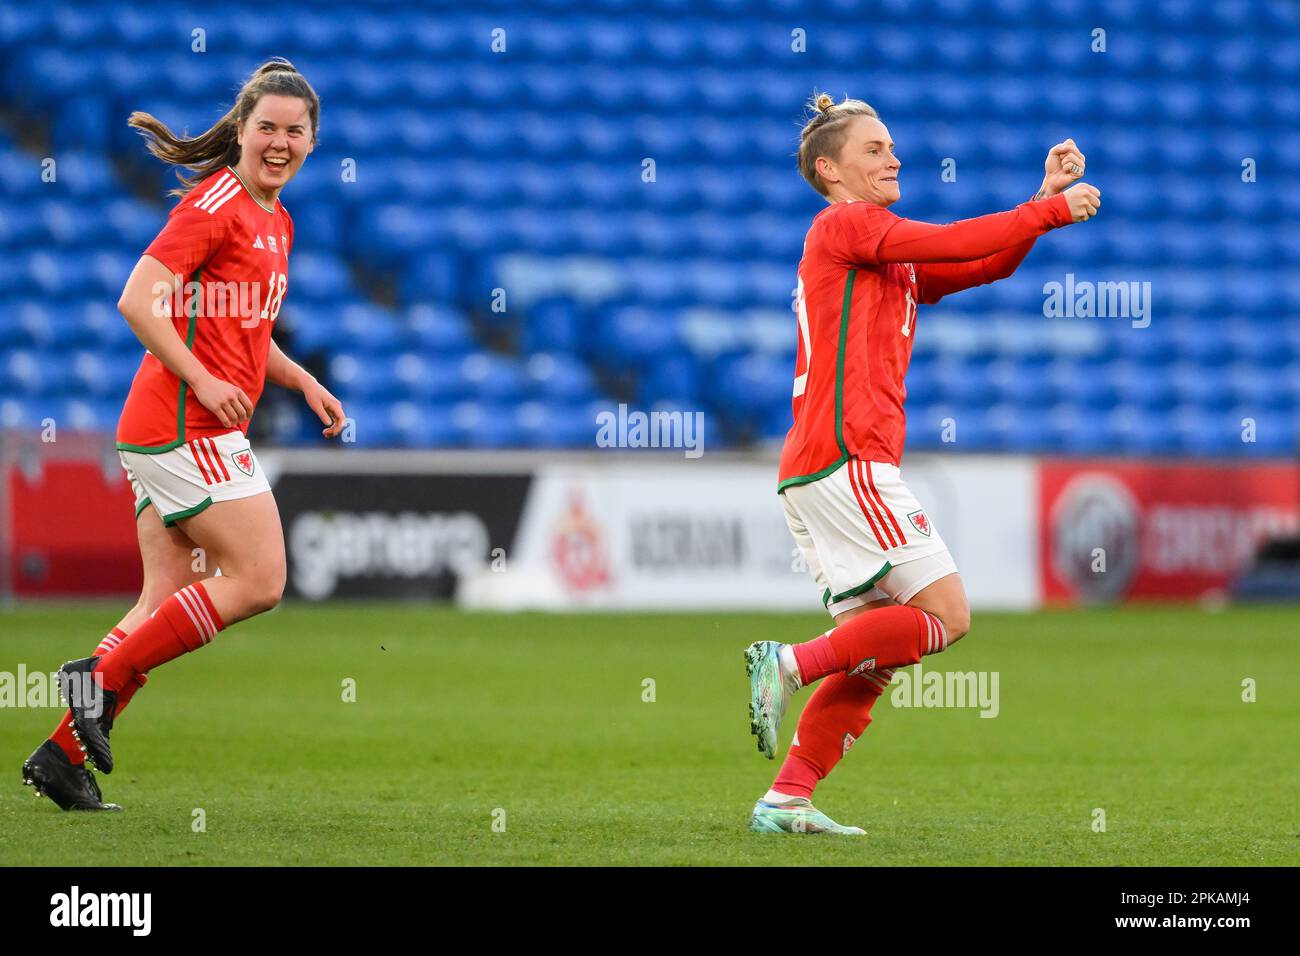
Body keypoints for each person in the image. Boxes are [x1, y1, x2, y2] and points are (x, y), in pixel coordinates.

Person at [745, 92, 1100, 835]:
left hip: (820, 465)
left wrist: (1041, 198)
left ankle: (786, 799)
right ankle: (789, 663)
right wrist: (1050, 214)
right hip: (849, 459)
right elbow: (950, 239)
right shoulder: (847, 225)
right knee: (945, 615)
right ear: (829, 170)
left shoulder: (878, 251)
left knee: (874, 657)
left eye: (892, 146)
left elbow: (982, 262)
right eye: (873, 149)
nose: (894, 157)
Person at [21, 57, 345, 811]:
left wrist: (302, 381)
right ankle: (95, 681)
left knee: (164, 597)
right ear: (242, 130)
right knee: (261, 579)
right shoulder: (217, 205)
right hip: (181, 423)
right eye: (267, 126)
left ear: (312, 142)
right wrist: (201, 379)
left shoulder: (276, 220)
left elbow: (245, 328)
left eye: (295, 132)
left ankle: (63, 758)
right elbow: (138, 300)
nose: (280, 142)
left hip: (166, 425)